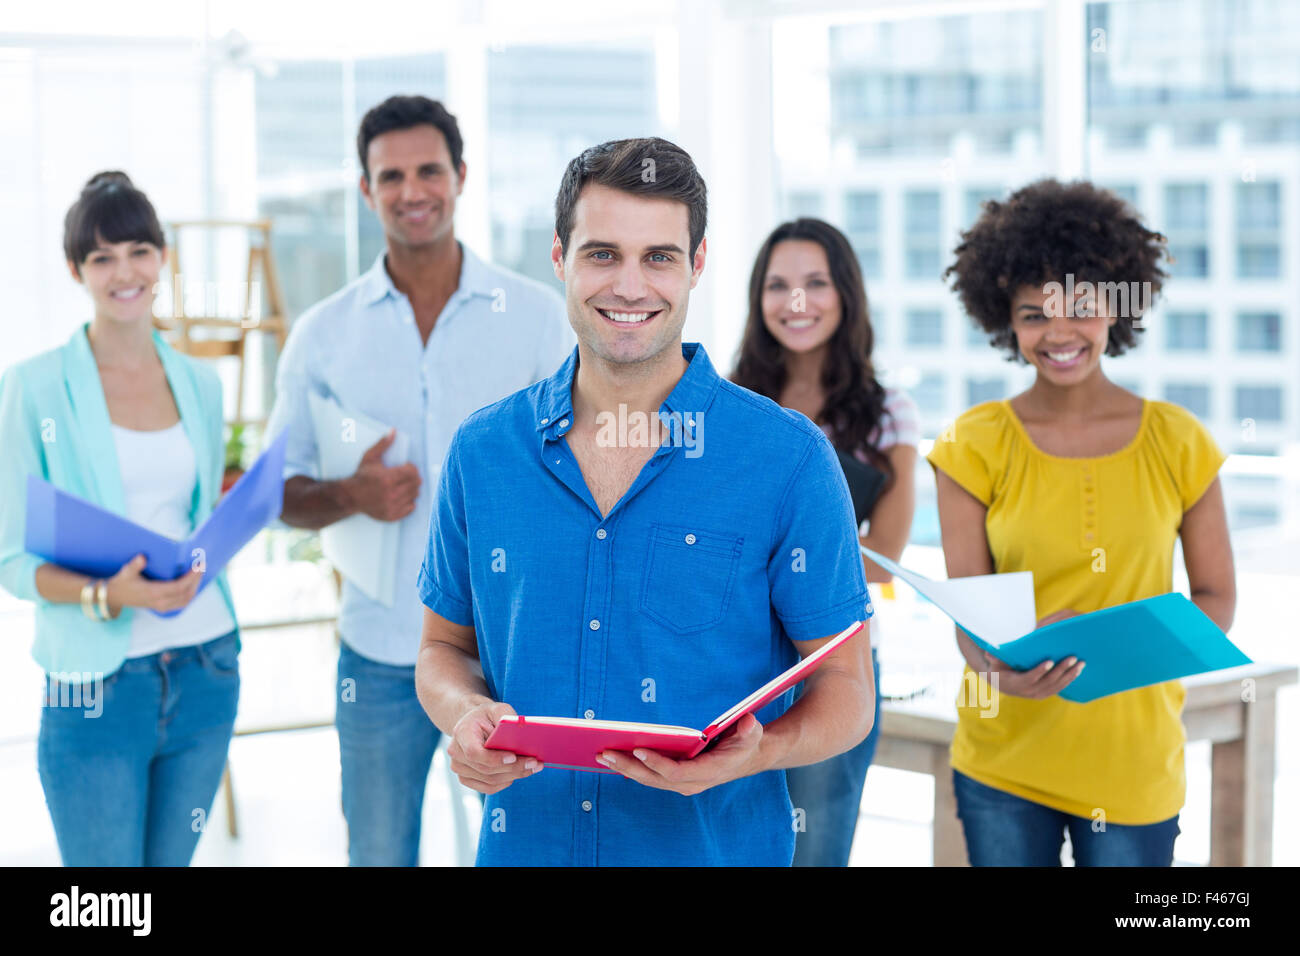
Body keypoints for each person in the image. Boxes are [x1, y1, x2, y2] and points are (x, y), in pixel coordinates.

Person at [414, 136, 876, 866]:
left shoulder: (787, 459)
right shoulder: (483, 452)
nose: (630, 286)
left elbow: (848, 689)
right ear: (560, 257)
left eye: (658, 257)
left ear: (696, 265)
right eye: (602, 254)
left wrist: (761, 754)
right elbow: (443, 649)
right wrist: (464, 713)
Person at [265, 95, 574, 866]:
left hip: (515, 655)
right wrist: (349, 497)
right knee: (377, 852)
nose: (413, 190)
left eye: (429, 169)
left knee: (533, 846)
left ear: (461, 176)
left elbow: (596, 470)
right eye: (391, 175)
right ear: (366, 190)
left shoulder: (536, 318)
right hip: (379, 655)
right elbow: (273, 494)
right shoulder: (324, 335)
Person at [928, 179, 1236, 866]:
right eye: (1034, 314)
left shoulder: (1179, 441)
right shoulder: (972, 445)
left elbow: (1217, 599)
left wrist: (1125, 649)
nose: (1058, 334)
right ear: (1004, 319)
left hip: (1133, 763)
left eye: (1081, 309)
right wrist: (995, 668)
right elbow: (971, 612)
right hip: (1003, 761)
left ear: (1116, 309)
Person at [0, 171, 239, 866]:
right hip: (95, 687)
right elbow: (10, 559)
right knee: (106, 906)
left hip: (206, 666)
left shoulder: (199, 382)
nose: (124, 272)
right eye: (101, 257)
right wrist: (111, 593)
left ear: (161, 259)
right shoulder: (32, 387)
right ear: (76, 270)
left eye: (137, 250)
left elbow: (193, 516)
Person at [731, 217, 917, 866]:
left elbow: (886, 561)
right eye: (778, 285)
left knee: (815, 851)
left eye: (816, 283)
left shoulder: (885, 411)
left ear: (846, 294)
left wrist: (766, 558)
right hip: (730, 666)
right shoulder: (726, 404)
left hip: (833, 666)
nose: (797, 302)